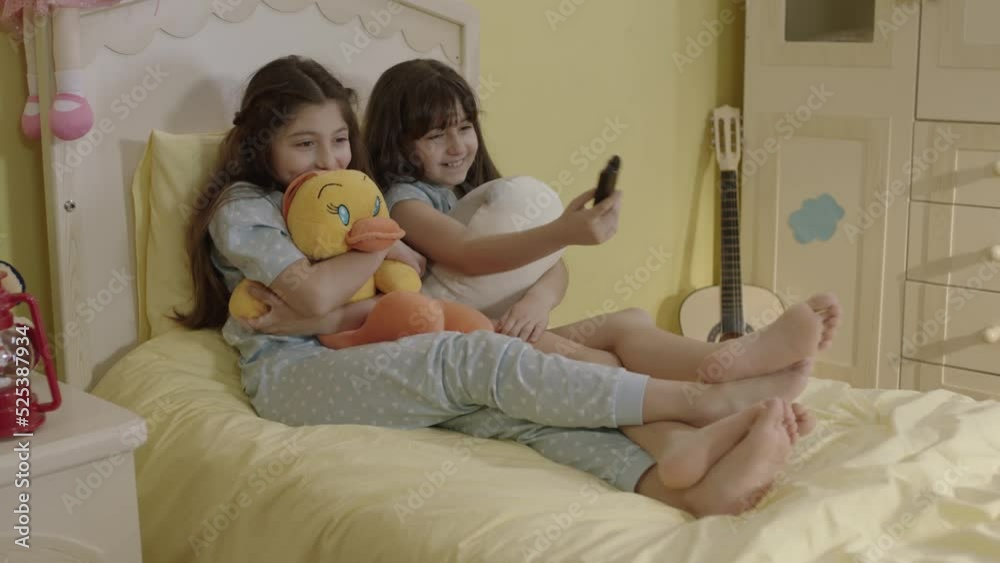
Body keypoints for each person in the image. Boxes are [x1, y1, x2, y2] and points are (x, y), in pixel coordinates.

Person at [175, 55, 813, 518]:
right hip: (296, 379)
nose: (330, 161)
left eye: (340, 140)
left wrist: (366, 265)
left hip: (369, 342)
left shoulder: (351, 196)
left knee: (510, 410)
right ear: (262, 146)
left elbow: (376, 290)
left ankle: (685, 477)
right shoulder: (246, 206)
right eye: (304, 145)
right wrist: (376, 243)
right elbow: (313, 295)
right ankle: (700, 400)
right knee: (476, 358)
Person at [364, 58, 841, 387]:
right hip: (459, 346)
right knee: (600, 361)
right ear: (399, 144)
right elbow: (467, 256)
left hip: (510, 329)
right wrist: (562, 232)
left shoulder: (475, 194)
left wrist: (538, 299)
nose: (458, 146)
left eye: (465, 127)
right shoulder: (404, 203)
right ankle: (721, 380)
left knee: (629, 323)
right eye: (436, 135)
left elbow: (554, 265)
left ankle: (734, 363)